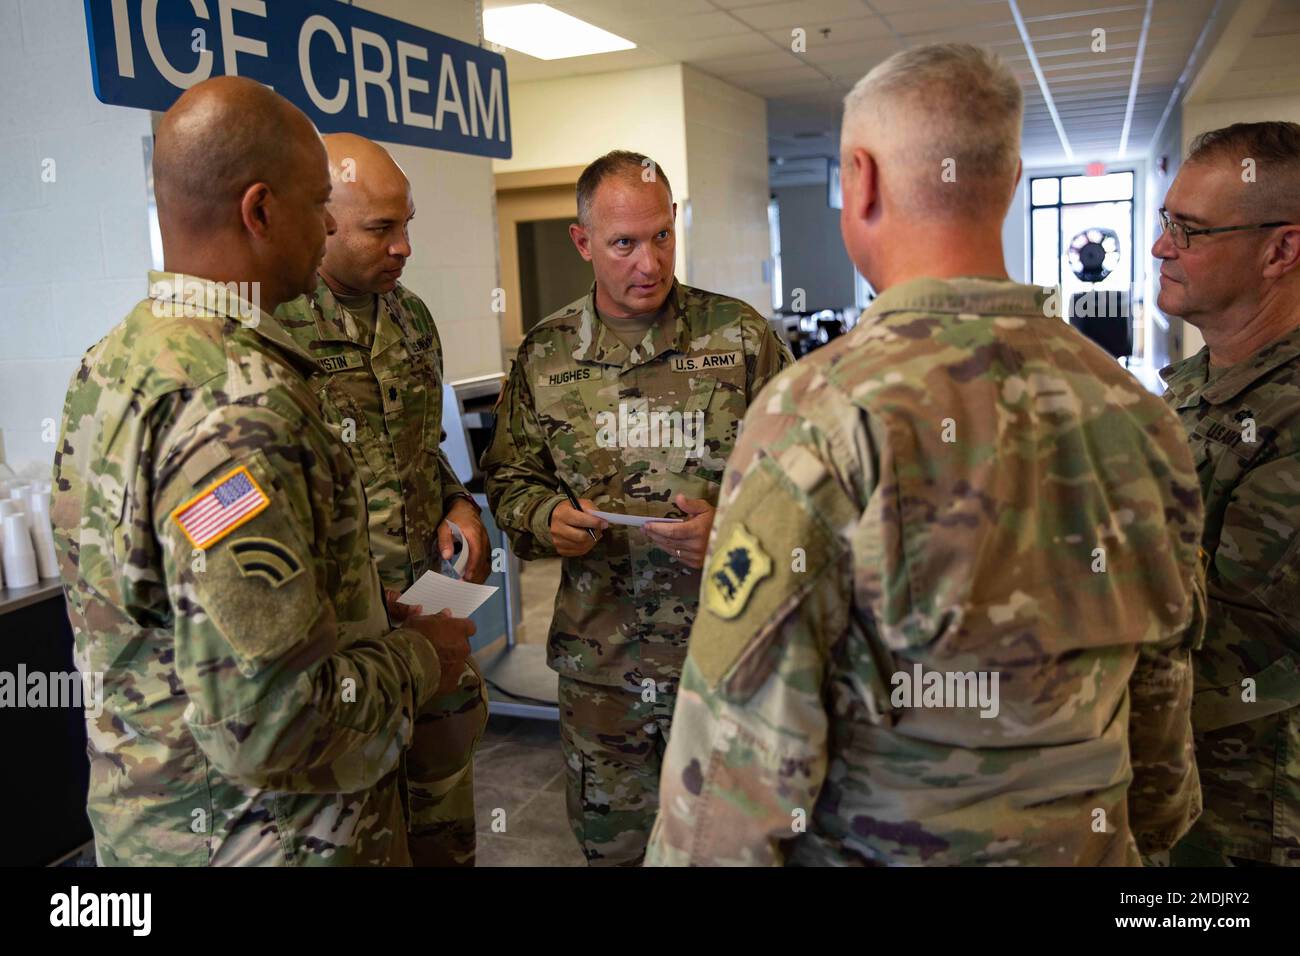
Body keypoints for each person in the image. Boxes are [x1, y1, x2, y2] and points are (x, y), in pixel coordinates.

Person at [645, 43, 1205, 867]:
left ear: (861, 181)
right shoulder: (1141, 415)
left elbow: (735, 760)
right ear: (1011, 183)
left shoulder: (818, 411)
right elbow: (1159, 711)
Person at [50, 76, 471, 866]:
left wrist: (346, 610)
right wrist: (423, 659)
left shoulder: (116, 361)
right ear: (260, 210)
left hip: (161, 826)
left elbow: (176, 596)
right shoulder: (238, 405)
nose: (326, 229)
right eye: (319, 206)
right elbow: (270, 719)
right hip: (266, 835)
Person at [480, 150, 793, 865]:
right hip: (604, 669)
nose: (647, 262)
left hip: (726, 660)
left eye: (661, 236)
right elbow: (511, 479)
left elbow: (806, 483)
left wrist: (734, 531)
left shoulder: (739, 338)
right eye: (623, 243)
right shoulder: (546, 354)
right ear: (583, 241)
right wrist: (542, 519)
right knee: (612, 850)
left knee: (732, 849)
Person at [277, 133, 489, 866]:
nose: (404, 248)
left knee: (443, 825)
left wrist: (459, 505)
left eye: (408, 224)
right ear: (322, 221)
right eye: (381, 228)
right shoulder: (275, 330)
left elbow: (419, 452)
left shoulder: (410, 317)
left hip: (433, 623)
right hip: (344, 660)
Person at [1154, 121, 1300, 866]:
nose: (1160, 247)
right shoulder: (1196, 390)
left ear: (1281, 250)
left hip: (1253, 809)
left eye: (1190, 230)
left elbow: (1239, 641)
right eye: (1164, 221)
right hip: (1182, 786)